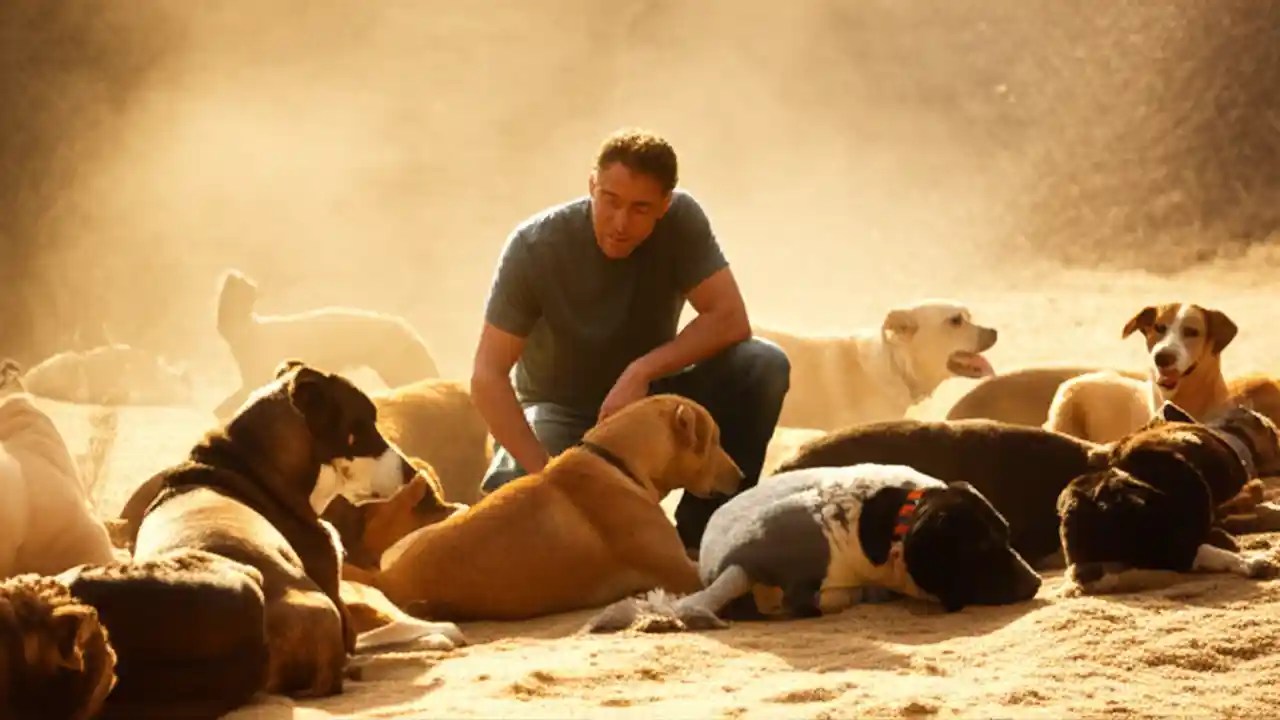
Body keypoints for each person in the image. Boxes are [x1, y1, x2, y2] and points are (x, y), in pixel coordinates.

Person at [469, 127, 790, 551]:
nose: (620, 224)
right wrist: (549, 475)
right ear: (591, 186)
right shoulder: (535, 246)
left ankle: (705, 537)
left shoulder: (681, 221)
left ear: (665, 206)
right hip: (560, 412)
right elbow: (487, 376)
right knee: (516, 508)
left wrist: (640, 372)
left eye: (640, 209)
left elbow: (730, 317)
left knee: (762, 364)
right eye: (610, 201)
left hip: (650, 403)